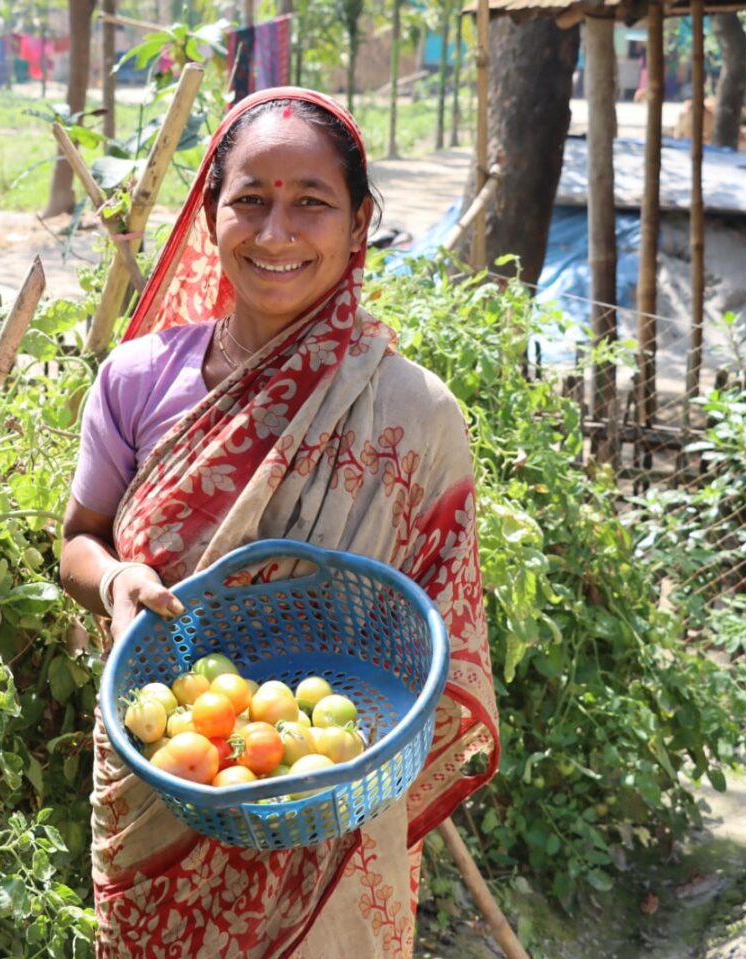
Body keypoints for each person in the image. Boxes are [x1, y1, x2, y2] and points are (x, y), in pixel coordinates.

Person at [60, 88, 500, 956]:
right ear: (211, 213)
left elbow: (445, 616)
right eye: (250, 200)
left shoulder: (412, 411)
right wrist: (114, 579)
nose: (275, 233)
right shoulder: (139, 377)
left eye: (312, 202)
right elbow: (80, 533)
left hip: (337, 794)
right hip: (166, 784)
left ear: (359, 219)